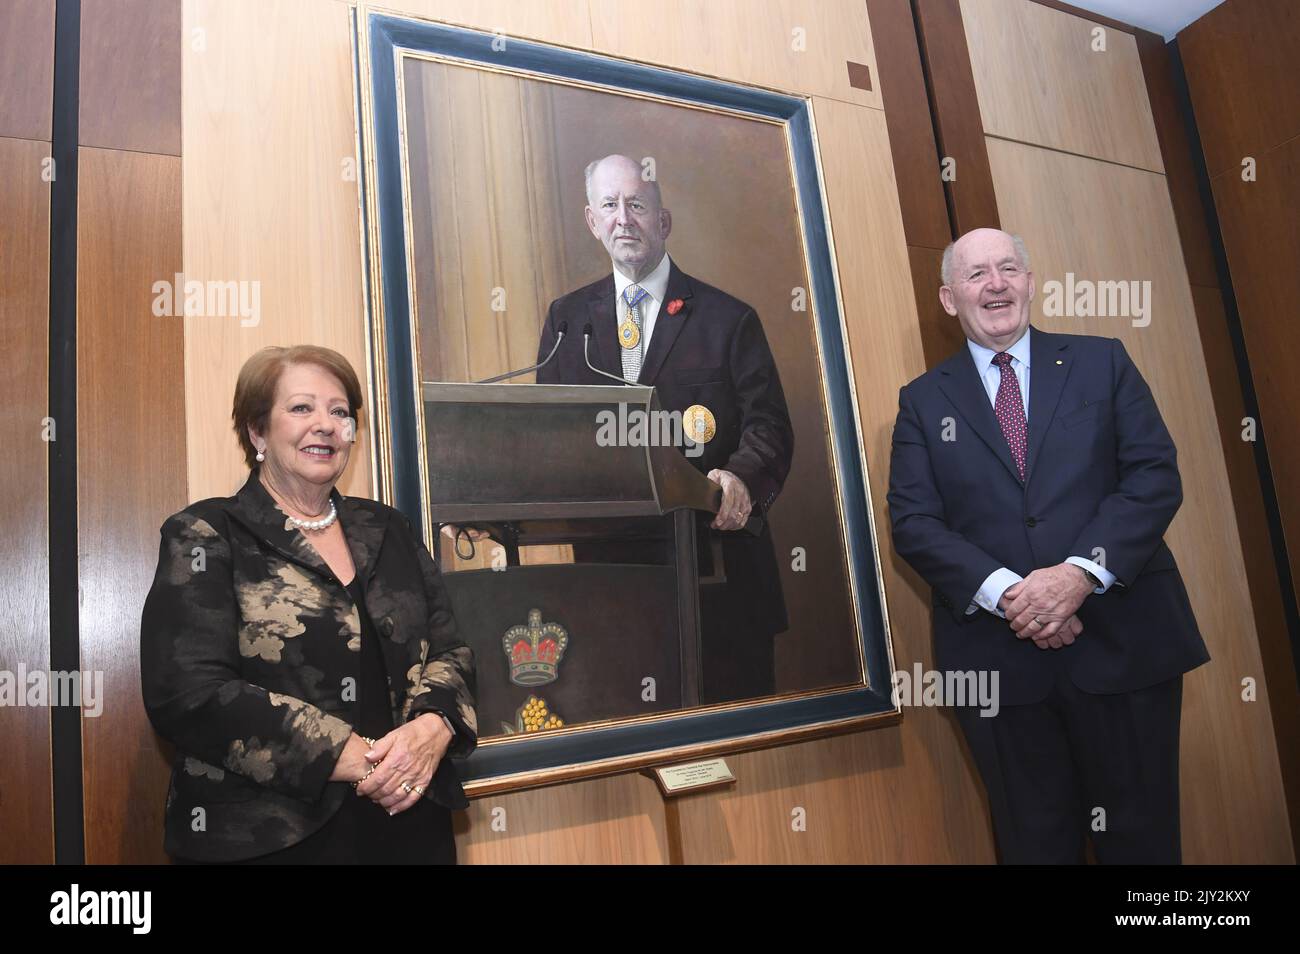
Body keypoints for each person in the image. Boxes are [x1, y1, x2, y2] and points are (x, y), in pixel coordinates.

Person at [887, 228, 1209, 864]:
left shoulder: (1102, 361)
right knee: (1034, 847)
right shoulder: (923, 403)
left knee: (1142, 845)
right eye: (977, 274)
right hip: (1000, 670)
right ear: (950, 298)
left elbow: (1153, 475)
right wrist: (1014, 595)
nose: (996, 284)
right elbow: (914, 522)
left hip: (1123, 649)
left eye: (1008, 269)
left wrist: (1080, 576)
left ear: (1031, 283)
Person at [140, 345, 477, 864]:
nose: (324, 424)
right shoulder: (207, 533)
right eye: (301, 408)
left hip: (410, 818)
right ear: (257, 432)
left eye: (339, 412)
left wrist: (432, 730)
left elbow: (451, 651)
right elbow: (188, 693)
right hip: (271, 837)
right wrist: (352, 756)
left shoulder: (389, 529)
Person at [534, 154, 794, 703]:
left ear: (663, 220)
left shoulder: (728, 318)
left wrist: (742, 478)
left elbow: (768, 425)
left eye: (637, 205)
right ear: (591, 220)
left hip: (718, 581)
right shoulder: (565, 320)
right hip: (612, 588)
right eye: (610, 205)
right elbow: (547, 435)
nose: (623, 218)